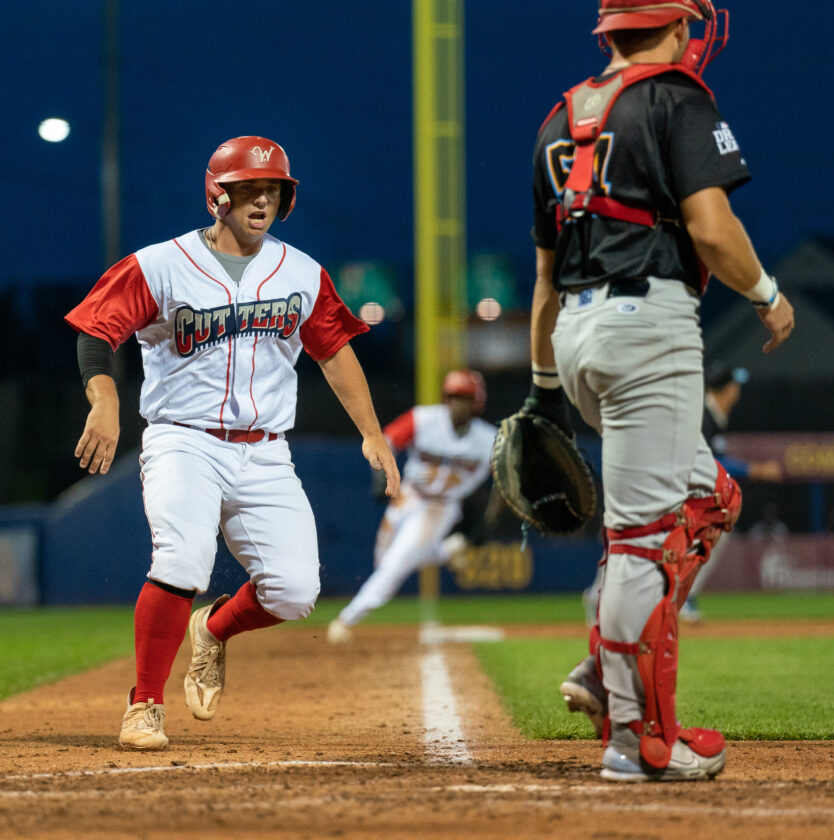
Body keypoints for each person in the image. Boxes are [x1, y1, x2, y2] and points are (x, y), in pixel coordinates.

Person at [527, 1, 795, 782]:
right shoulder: (676, 97)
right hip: (649, 327)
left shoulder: (557, 119)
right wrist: (767, 294)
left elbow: (544, 279)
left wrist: (545, 386)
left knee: (711, 499)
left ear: (608, 34)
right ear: (677, 29)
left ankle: (596, 668)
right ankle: (636, 743)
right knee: (644, 541)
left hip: (576, 335)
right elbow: (711, 227)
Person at [65, 136, 400, 751]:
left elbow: (333, 351)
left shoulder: (300, 271)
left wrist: (374, 434)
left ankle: (212, 632)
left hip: (266, 450)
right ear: (218, 194)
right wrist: (105, 401)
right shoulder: (161, 265)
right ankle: (144, 704)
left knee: (294, 593)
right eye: (250, 188)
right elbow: (95, 329)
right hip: (183, 441)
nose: (263, 200)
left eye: (273, 190)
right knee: (181, 560)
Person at [327, 370, 496, 643]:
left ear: (477, 402)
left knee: (395, 565)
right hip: (409, 496)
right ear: (444, 398)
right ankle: (446, 551)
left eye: (464, 398)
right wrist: (381, 473)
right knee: (383, 560)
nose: (458, 404)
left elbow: (502, 483)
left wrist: (483, 525)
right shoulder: (424, 419)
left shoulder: (490, 440)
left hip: (440, 508)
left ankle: (346, 619)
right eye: (453, 397)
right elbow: (387, 441)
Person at [680, 365, 783, 621]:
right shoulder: (704, 416)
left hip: (684, 489)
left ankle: (681, 594)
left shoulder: (711, 417)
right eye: (735, 385)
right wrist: (754, 469)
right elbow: (709, 460)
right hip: (675, 488)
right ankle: (680, 594)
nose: (738, 391)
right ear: (726, 389)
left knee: (709, 535)